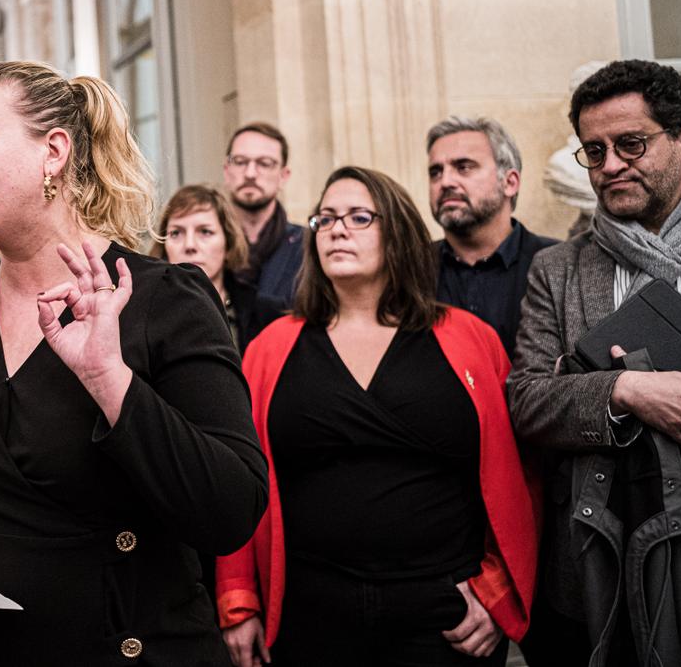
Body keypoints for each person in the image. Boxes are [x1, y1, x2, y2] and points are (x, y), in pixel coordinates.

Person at [0, 61, 268, 666]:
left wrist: (111, 381)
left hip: (113, 645)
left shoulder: (163, 300)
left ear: (54, 151)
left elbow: (230, 508)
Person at [218, 165, 537, 667]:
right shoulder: (270, 349)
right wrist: (239, 601)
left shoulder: (470, 339)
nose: (337, 228)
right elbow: (238, 477)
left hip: (442, 612)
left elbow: (519, 475)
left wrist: (496, 590)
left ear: (399, 234)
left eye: (359, 217)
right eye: (325, 219)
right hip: (311, 610)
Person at [507, 60, 681, 667]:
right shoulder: (559, 270)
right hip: (605, 533)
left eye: (630, 144)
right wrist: (625, 391)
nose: (609, 166)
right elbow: (525, 399)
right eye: (593, 151)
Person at [427, 116, 558, 358]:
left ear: (509, 183)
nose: (444, 182)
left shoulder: (559, 265)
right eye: (435, 172)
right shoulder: (409, 269)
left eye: (464, 167)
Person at [150, 184, 282, 352]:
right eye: (176, 233)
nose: (189, 245)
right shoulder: (145, 314)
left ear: (228, 243)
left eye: (205, 231)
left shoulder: (265, 314)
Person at [222, 122, 305, 307]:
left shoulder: (307, 247)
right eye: (240, 162)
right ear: (227, 171)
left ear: (283, 176)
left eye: (264, 163)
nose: (250, 173)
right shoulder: (206, 244)